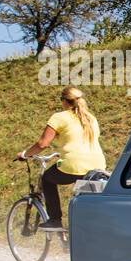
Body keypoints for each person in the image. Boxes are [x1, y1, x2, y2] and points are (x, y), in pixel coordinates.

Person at [15, 86, 107, 231]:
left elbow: (42, 144)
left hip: (74, 164)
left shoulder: (59, 117)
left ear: (64, 101)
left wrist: (25, 154)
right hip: (98, 165)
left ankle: (55, 220)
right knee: (81, 199)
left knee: (47, 179)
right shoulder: (91, 118)